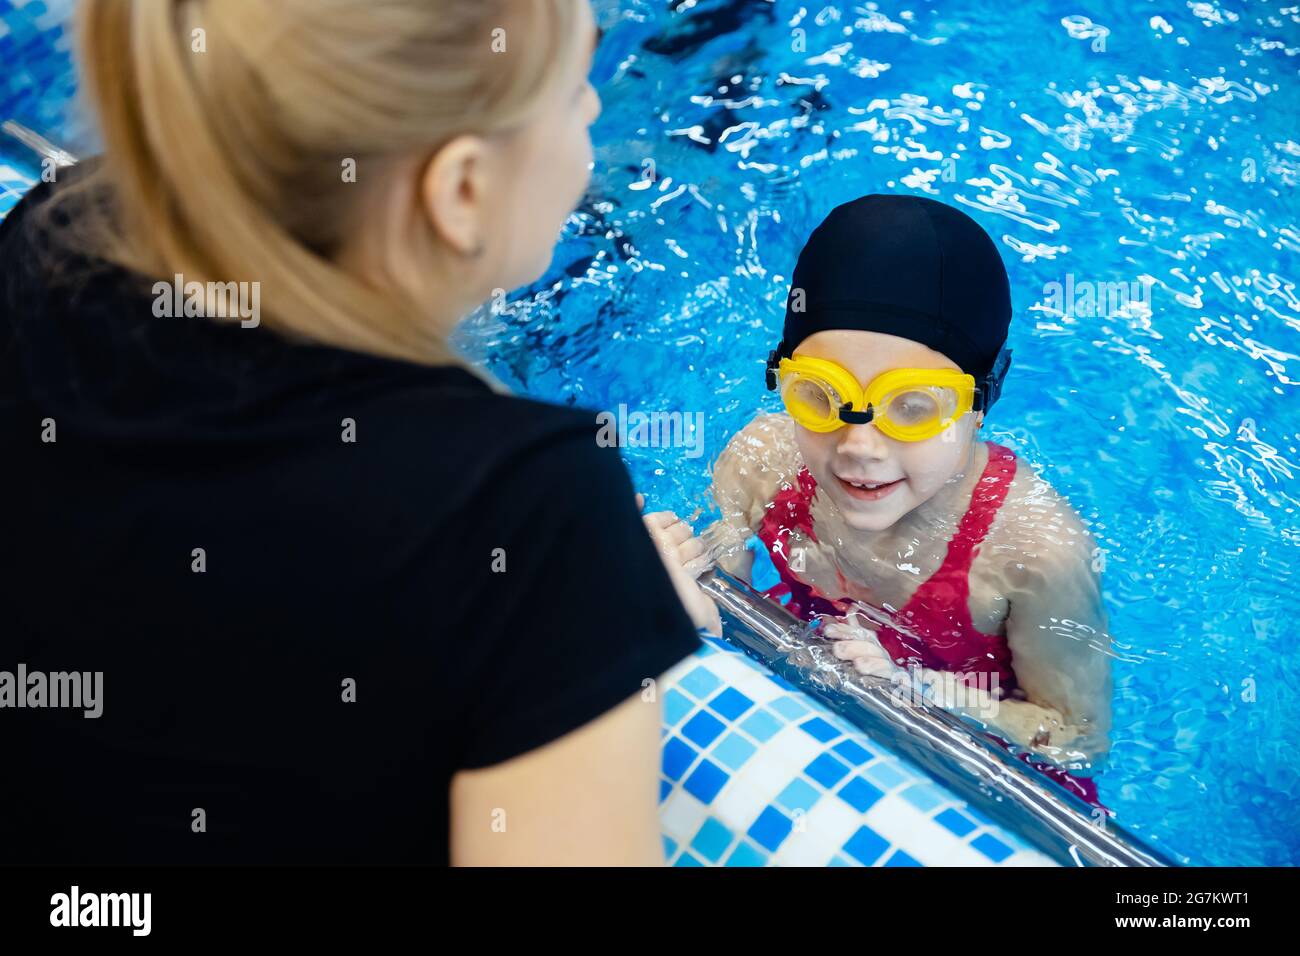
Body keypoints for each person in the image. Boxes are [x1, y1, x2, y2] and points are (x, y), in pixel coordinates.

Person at [0, 0, 713, 865]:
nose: (598, 110)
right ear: (460, 191)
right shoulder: (531, 508)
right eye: (572, 89)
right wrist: (604, 621)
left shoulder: (54, 235)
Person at [651, 194, 1113, 804]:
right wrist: (674, 571)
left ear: (981, 400)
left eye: (913, 407)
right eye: (820, 395)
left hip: (974, 784)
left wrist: (912, 688)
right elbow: (717, 621)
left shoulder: (1033, 550)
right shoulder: (761, 465)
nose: (859, 447)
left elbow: (1077, 738)